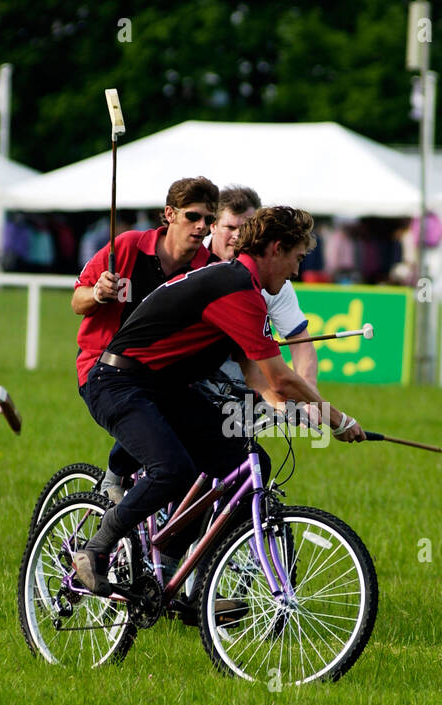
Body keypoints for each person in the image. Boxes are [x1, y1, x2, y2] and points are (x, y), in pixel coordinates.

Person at [72, 206, 366, 596]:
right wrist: (338, 420)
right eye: (296, 259)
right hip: (118, 382)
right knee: (172, 469)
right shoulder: (236, 286)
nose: (296, 271)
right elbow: (281, 377)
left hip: (164, 391)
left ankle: (179, 571)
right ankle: (95, 549)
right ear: (276, 249)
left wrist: (287, 409)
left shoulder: (244, 288)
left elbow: (259, 377)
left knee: (249, 464)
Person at [72, 176, 219, 499]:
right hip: (104, 370)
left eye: (209, 220)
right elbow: (77, 301)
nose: (201, 227)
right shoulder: (126, 246)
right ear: (169, 214)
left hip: (162, 378)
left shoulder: (209, 269)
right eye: (192, 217)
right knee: (171, 466)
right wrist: (97, 293)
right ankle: (111, 503)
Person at [207, 185, 319, 389]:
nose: (239, 236)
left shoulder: (274, 279)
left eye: (246, 227)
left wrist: (309, 394)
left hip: (242, 374)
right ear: (212, 226)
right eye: (230, 228)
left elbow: (300, 343)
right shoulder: (191, 263)